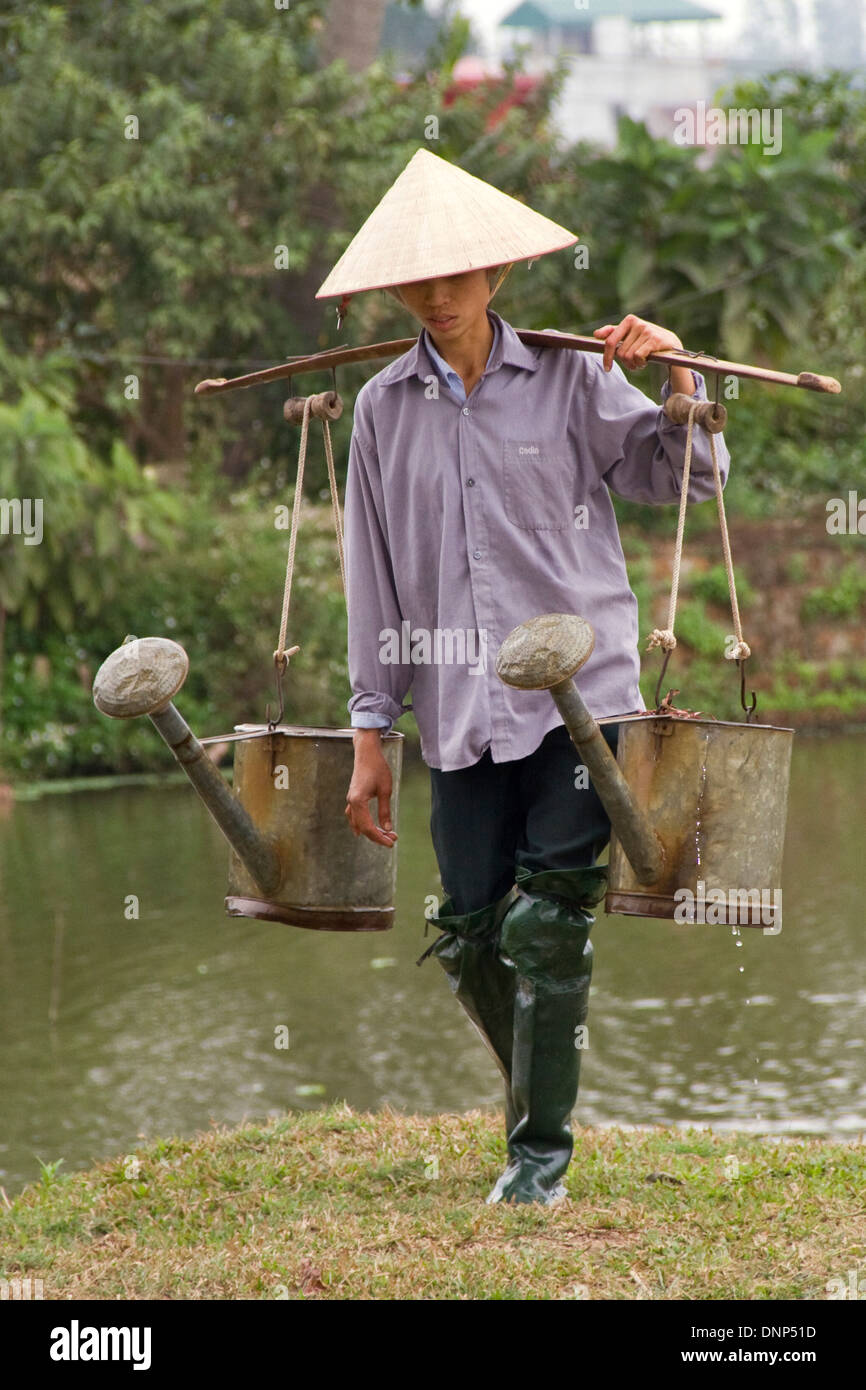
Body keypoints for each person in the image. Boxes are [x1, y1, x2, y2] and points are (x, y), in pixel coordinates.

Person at [316, 149, 730, 1205]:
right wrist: (370, 733)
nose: (438, 295)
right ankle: (544, 1090)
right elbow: (373, 578)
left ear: (497, 275)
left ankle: (536, 1159)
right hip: (455, 706)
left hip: (576, 709)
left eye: (459, 275)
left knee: (546, 923)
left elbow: (676, 472)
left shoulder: (572, 377)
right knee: (466, 936)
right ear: (398, 287)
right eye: (419, 279)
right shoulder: (379, 410)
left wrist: (677, 374)